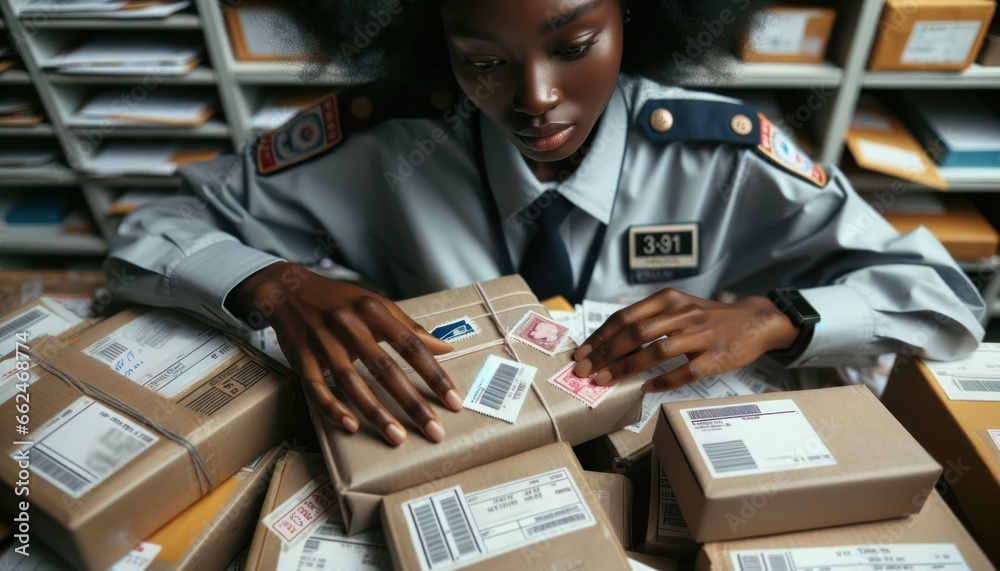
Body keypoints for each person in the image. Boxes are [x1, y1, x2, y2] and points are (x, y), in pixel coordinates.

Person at [106, 0, 986, 447]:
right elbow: (153, 231)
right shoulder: (387, 142)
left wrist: (773, 316)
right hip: (448, 442)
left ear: (633, 19)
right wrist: (278, 284)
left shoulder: (718, 153)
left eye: (572, 46)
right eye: (482, 60)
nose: (533, 99)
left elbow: (944, 299)